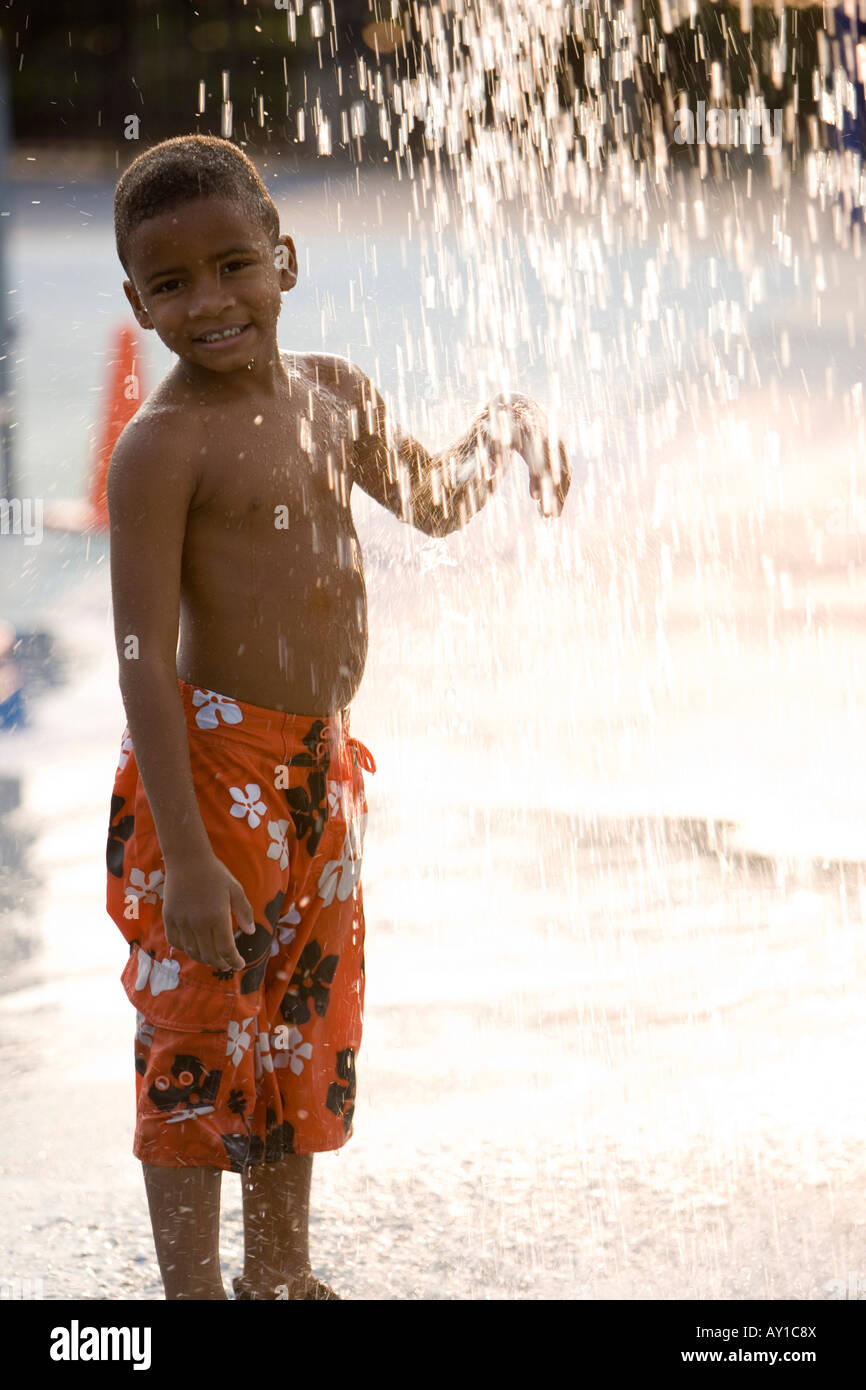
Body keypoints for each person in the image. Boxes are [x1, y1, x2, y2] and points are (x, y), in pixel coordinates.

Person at [105, 133, 570, 1301]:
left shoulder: (337, 395)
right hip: (210, 777)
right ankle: (192, 1296)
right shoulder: (161, 447)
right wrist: (194, 861)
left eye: (232, 266)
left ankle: (280, 1273)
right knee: (200, 1040)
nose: (209, 302)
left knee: (295, 1027)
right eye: (171, 284)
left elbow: (434, 505)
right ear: (136, 301)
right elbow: (141, 663)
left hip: (318, 769)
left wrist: (502, 425)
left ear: (285, 259)